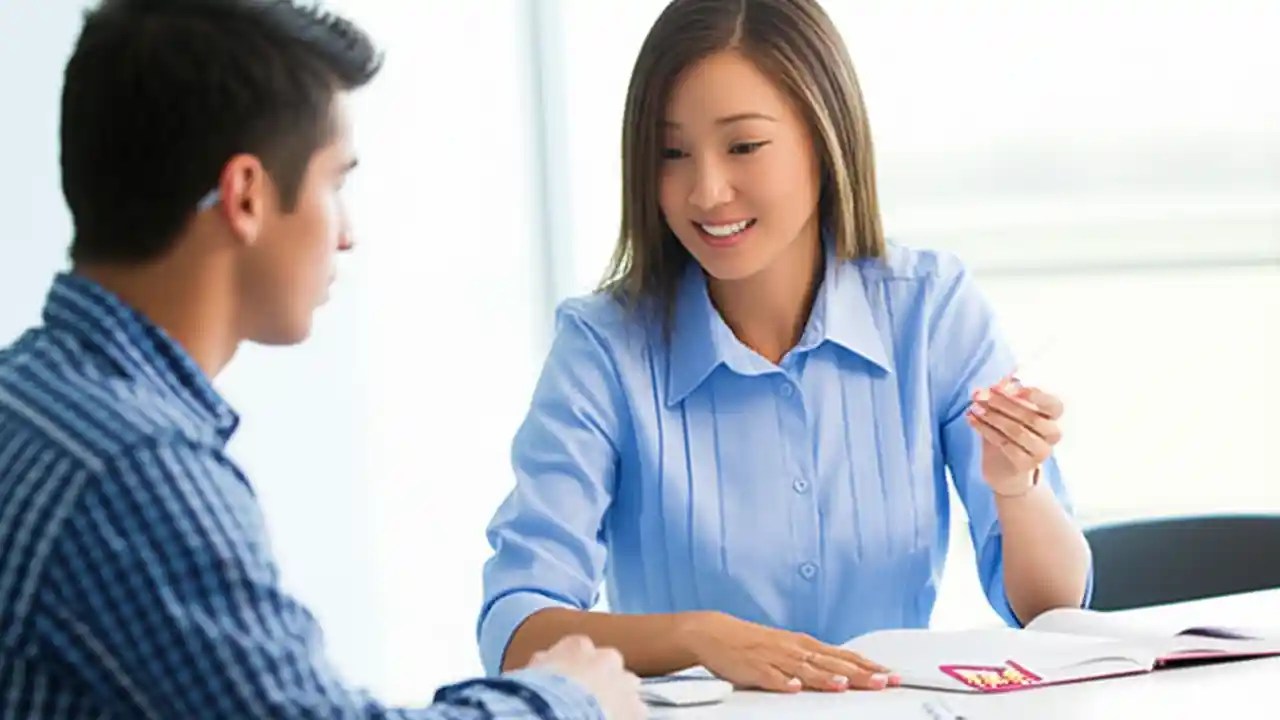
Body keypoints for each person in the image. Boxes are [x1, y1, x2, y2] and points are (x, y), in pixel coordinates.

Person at [0, 1, 643, 718]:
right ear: (245, 196)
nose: (346, 234)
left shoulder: (29, 398)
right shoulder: (136, 470)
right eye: (335, 182)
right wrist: (567, 700)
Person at [479, 0, 1093, 694]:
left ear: (823, 137)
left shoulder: (931, 308)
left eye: (743, 147)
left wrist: (1016, 489)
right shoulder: (603, 348)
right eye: (671, 153)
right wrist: (698, 636)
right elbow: (516, 630)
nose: (707, 191)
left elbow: (1054, 610)